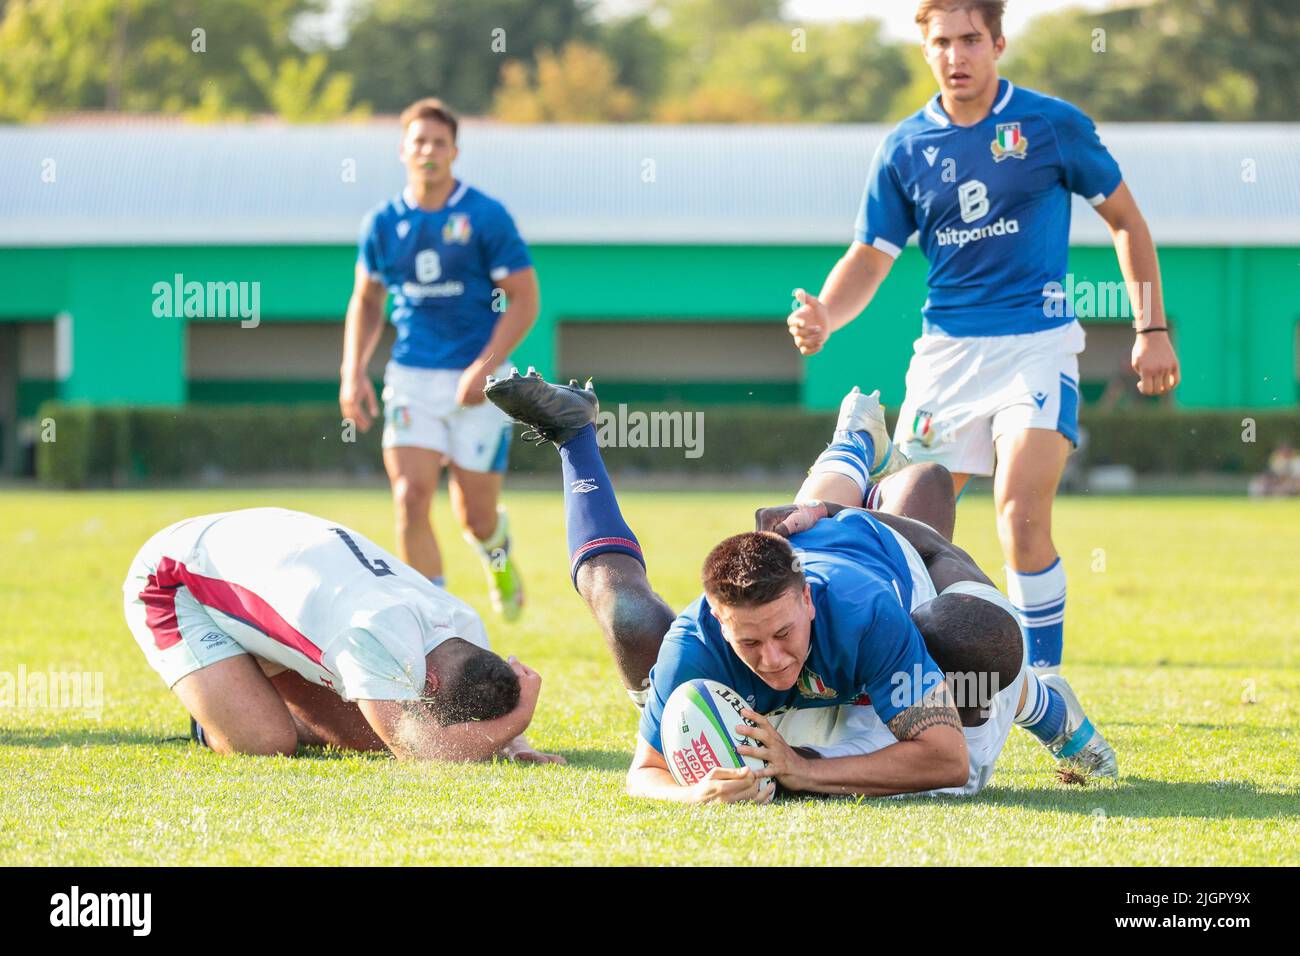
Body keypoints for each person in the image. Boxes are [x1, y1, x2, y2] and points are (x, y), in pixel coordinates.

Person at [484, 371, 1116, 804]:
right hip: (805, 549)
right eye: (749, 644)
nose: (774, 658)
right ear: (719, 623)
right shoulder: (693, 645)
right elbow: (642, 776)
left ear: (807, 602)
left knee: (966, 622)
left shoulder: (864, 614)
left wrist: (801, 769)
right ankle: (577, 437)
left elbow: (945, 759)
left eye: (784, 634)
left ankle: (1037, 698)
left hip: (891, 558)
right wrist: (692, 793)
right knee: (630, 622)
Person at [785, 0, 1181, 677]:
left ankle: (1046, 686)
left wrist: (1151, 328)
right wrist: (825, 310)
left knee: (1021, 514)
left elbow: (1127, 222)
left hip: (1038, 345)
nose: (956, 56)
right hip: (946, 359)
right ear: (925, 48)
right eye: (942, 42)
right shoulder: (905, 147)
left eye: (971, 40)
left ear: (998, 42)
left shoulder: (1051, 125)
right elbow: (870, 256)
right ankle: (889, 674)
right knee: (905, 533)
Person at [123, 507, 561, 764]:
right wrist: (516, 721)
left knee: (368, 733)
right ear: (429, 684)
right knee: (267, 742)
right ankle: (213, 711)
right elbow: (417, 749)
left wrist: (513, 745)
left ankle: (246, 673)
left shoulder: (464, 627)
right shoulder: (370, 632)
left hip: (252, 552)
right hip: (172, 579)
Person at [339, 97, 538, 620]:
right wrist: (353, 370)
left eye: (439, 142)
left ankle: (498, 557)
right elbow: (366, 299)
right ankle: (437, 622)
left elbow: (525, 298)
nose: (428, 150)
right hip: (410, 377)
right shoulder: (383, 222)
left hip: (479, 380)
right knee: (410, 495)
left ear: (455, 151)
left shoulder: (484, 215)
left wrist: (484, 367)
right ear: (403, 149)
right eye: (419, 141)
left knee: (476, 517)